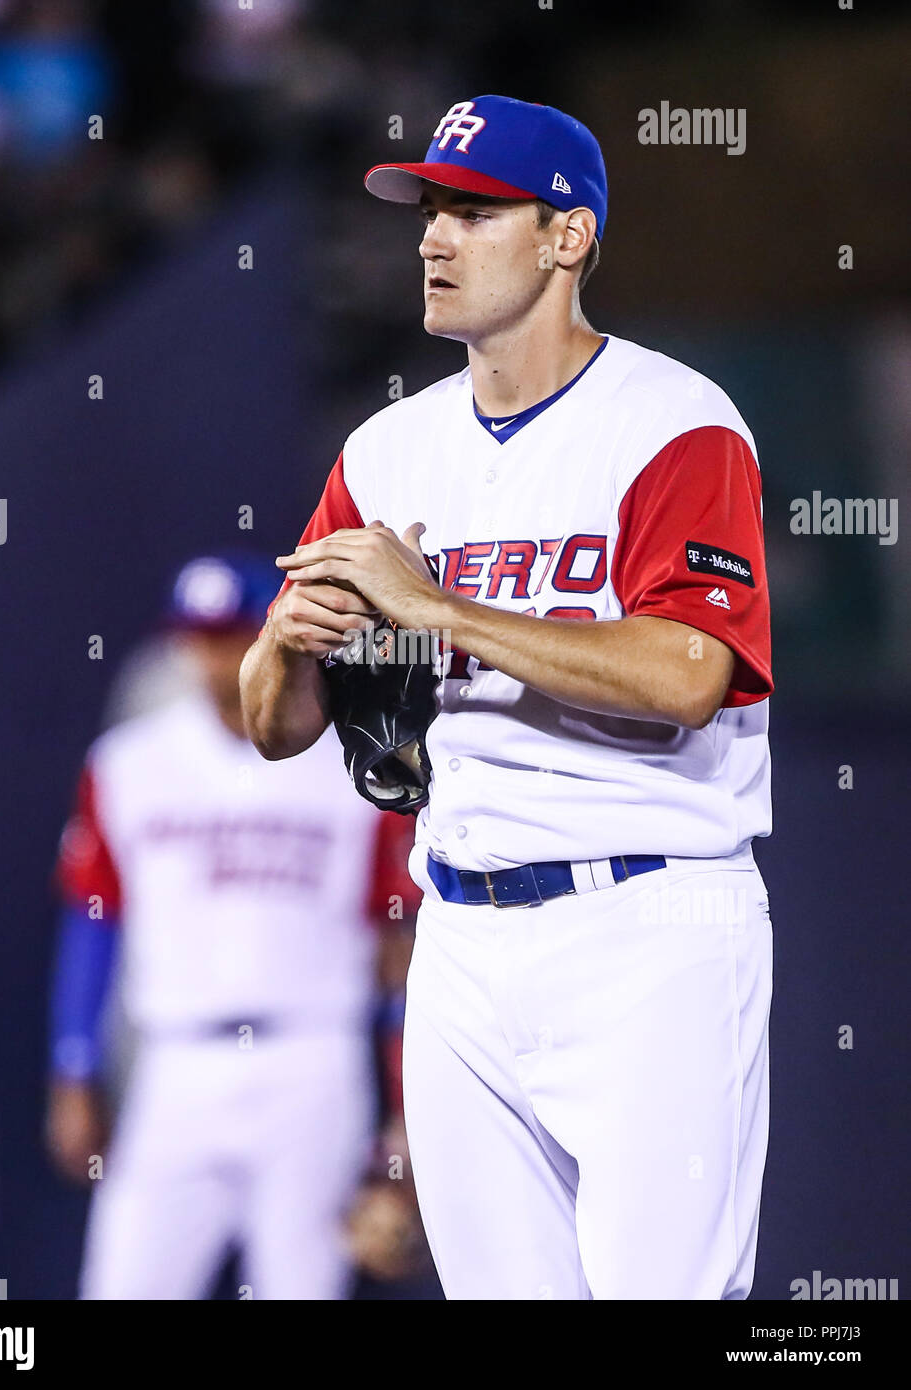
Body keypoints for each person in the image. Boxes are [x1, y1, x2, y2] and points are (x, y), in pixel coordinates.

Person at [240, 95, 775, 1300]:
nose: (434, 237)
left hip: (648, 927)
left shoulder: (674, 423)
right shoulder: (383, 451)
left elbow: (689, 674)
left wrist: (440, 613)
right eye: (428, 209)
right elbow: (274, 728)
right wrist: (283, 642)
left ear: (565, 237)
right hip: (460, 936)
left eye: (475, 212)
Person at [46, 551, 421, 1299]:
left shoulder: (351, 761)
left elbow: (395, 945)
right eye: (197, 634)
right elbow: (93, 919)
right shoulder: (129, 761)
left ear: (271, 635)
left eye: (230, 634)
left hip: (312, 1060)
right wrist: (74, 1066)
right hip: (177, 1064)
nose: (211, 653)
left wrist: (403, 1114)